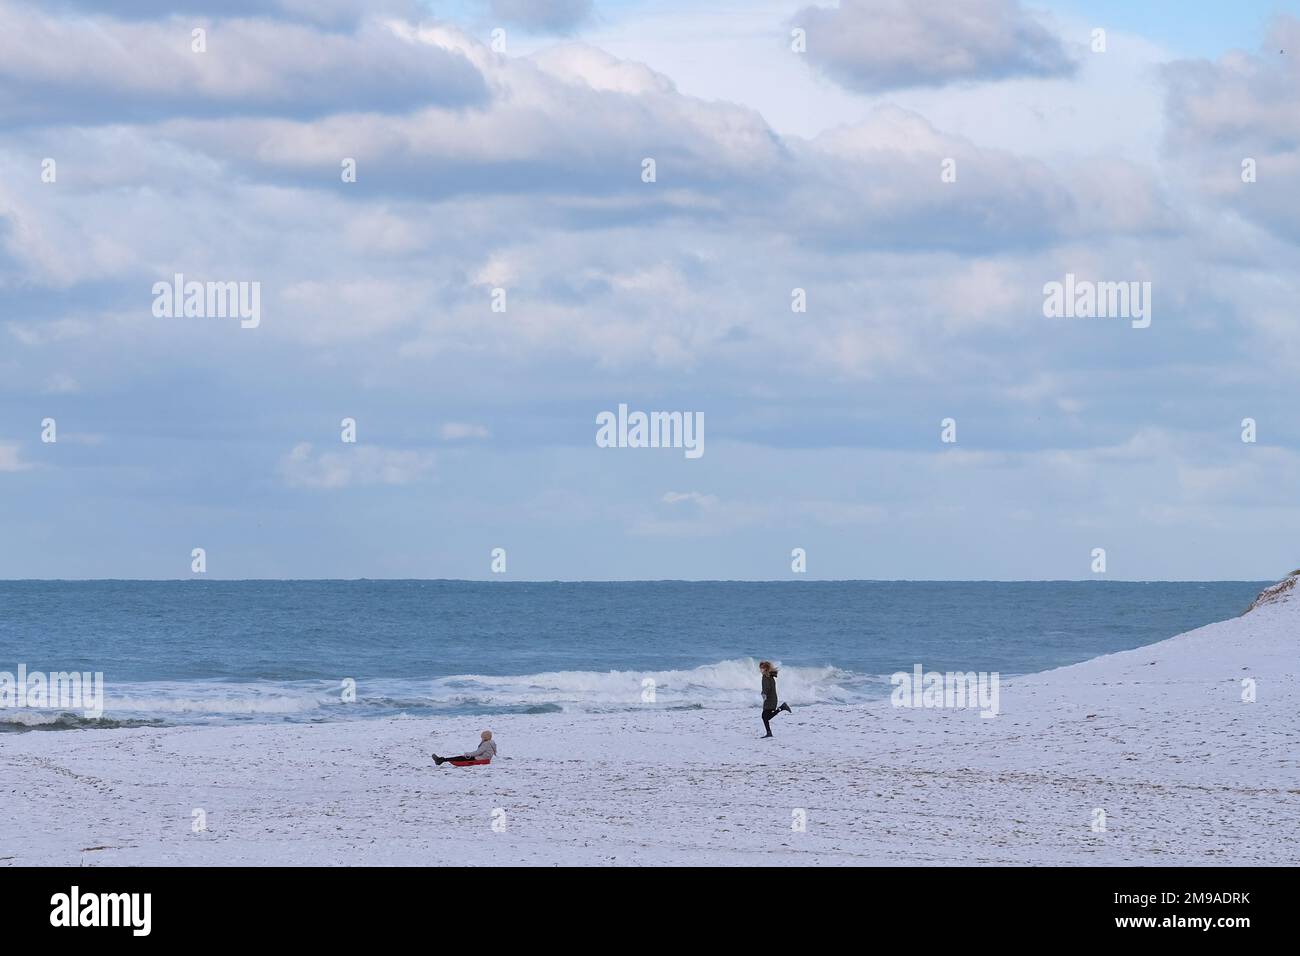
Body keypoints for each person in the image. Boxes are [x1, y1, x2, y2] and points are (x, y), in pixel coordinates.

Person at [758, 661, 792, 738]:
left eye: (761, 668)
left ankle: (782, 708)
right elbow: (769, 687)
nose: (760, 670)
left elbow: (767, 687)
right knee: (765, 716)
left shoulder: (765, 677)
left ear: (765, 668)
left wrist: (763, 693)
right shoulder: (770, 676)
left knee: (764, 716)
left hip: (769, 699)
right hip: (772, 698)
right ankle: (769, 732)